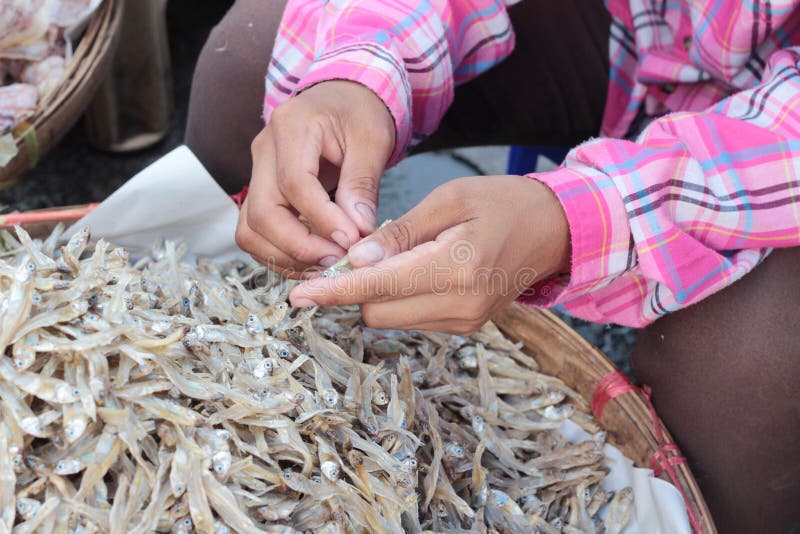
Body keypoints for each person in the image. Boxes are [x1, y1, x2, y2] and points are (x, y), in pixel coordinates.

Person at [186, 1, 800, 531]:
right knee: (247, 69)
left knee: (743, 366)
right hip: (643, 28)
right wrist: (359, 73)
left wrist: (573, 221)